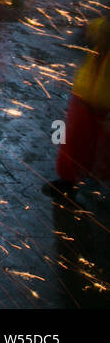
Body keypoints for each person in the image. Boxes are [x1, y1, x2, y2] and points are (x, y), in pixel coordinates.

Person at [44, 16, 110, 203]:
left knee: (100, 149)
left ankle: (95, 181)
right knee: (72, 140)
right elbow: (76, 41)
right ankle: (67, 180)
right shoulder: (100, 27)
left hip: (103, 106)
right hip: (81, 96)